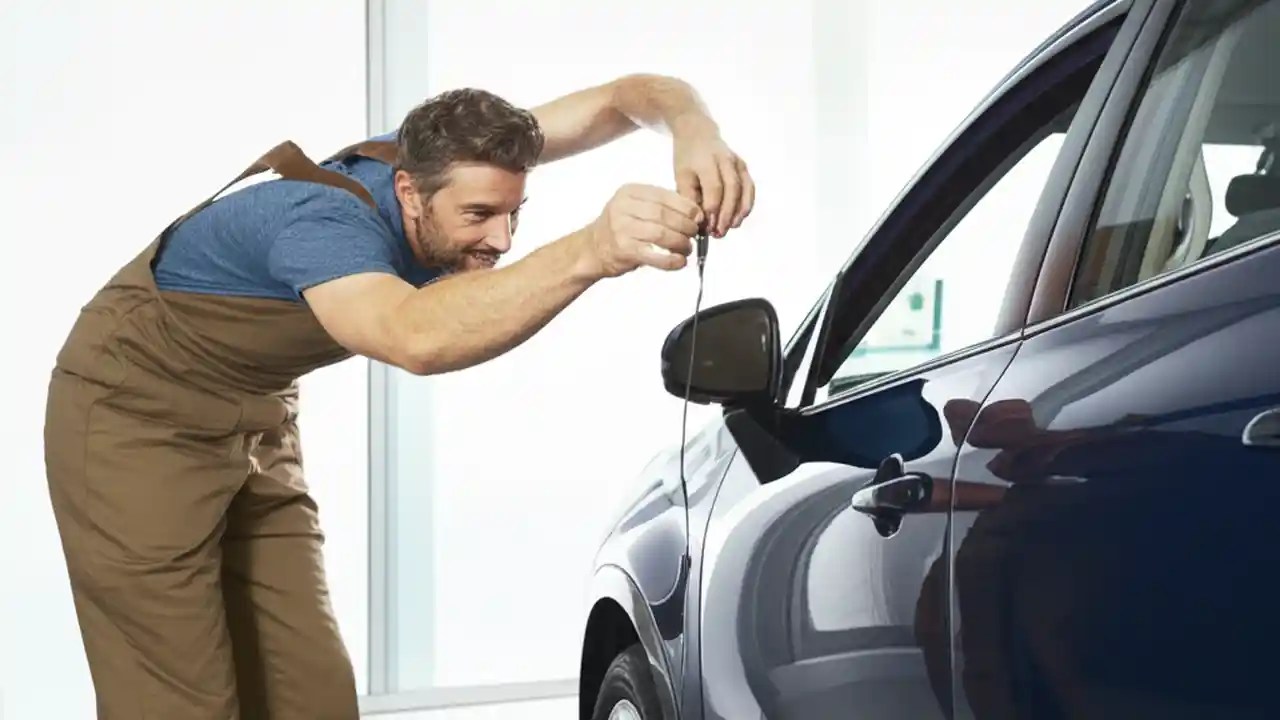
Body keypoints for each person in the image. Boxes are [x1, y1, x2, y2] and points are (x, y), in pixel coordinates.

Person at [43, 74, 755, 719]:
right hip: (131, 416)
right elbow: (414, 336)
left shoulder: (452, 156)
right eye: (479, 216)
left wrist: (695, 131)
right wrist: (592, 250)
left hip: (254, 416)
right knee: (180, 702)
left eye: (514, 212)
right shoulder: (322, 227)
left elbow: (626, 96)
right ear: (409, 192)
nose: (501, 238)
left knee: (310, 692)